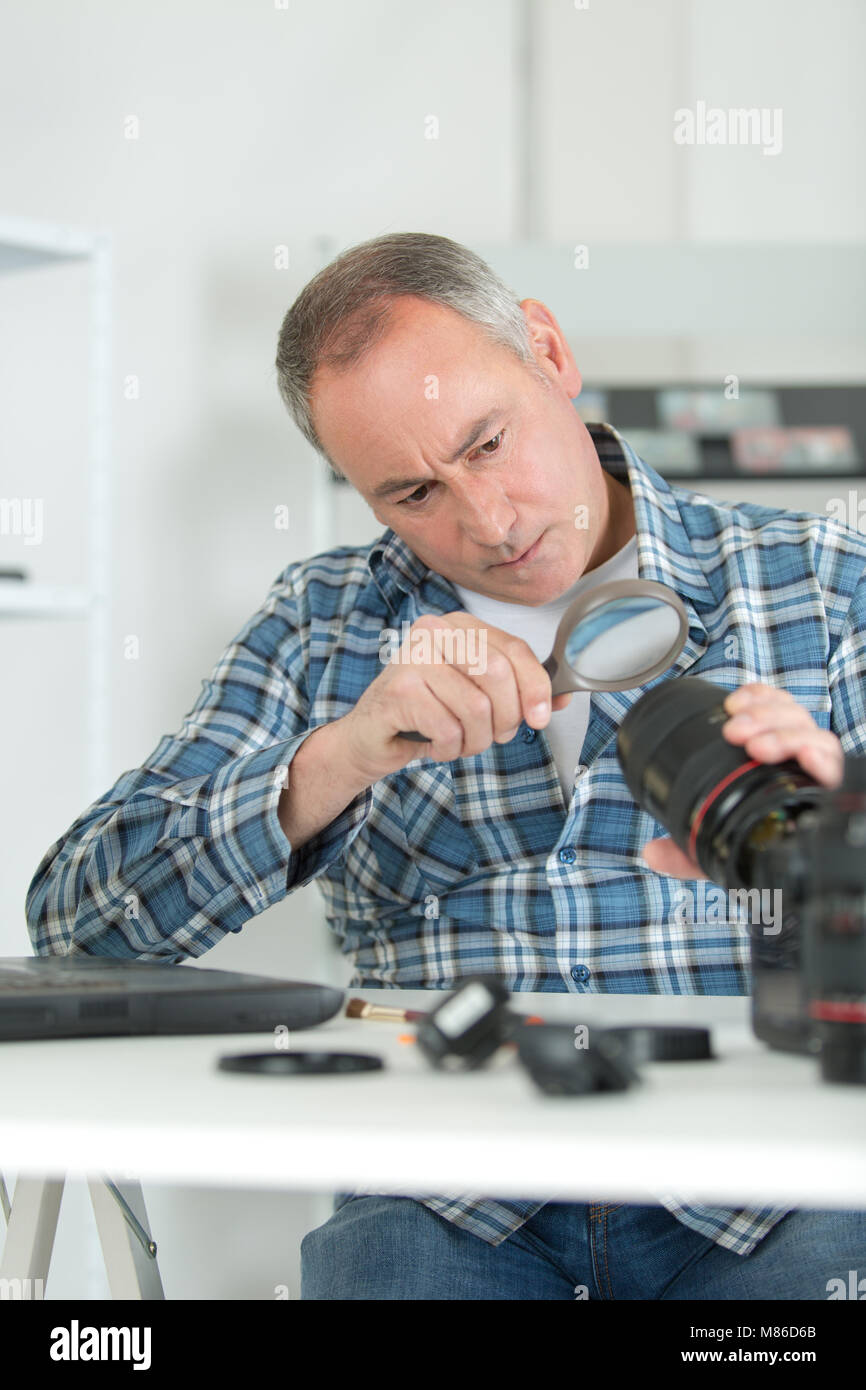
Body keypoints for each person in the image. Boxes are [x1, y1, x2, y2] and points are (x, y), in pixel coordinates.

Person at [26, 232, 866, 1300]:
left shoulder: (821, 581)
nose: (487, 520)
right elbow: (74, 924)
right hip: (447, 1196)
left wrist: (840, 825)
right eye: (411, 494)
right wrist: (335, 759)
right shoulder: (323, 622)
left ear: (549, 353)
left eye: (485, 442)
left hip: (770, 1183)